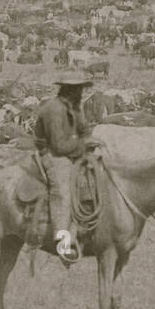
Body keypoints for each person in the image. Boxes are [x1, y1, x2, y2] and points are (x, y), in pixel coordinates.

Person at [33, 72, 100, 262]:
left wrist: (90, 139)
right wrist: (82, 145)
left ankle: (86, 229)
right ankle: (62, 242)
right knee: (62, 190)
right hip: (53, 155)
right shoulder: (53, 109)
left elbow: (83, 129)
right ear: (69, 90)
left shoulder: (74, 107)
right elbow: (58, 145)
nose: (81, 93)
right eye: (78, 89)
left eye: (82, 89)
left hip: (72, 150)